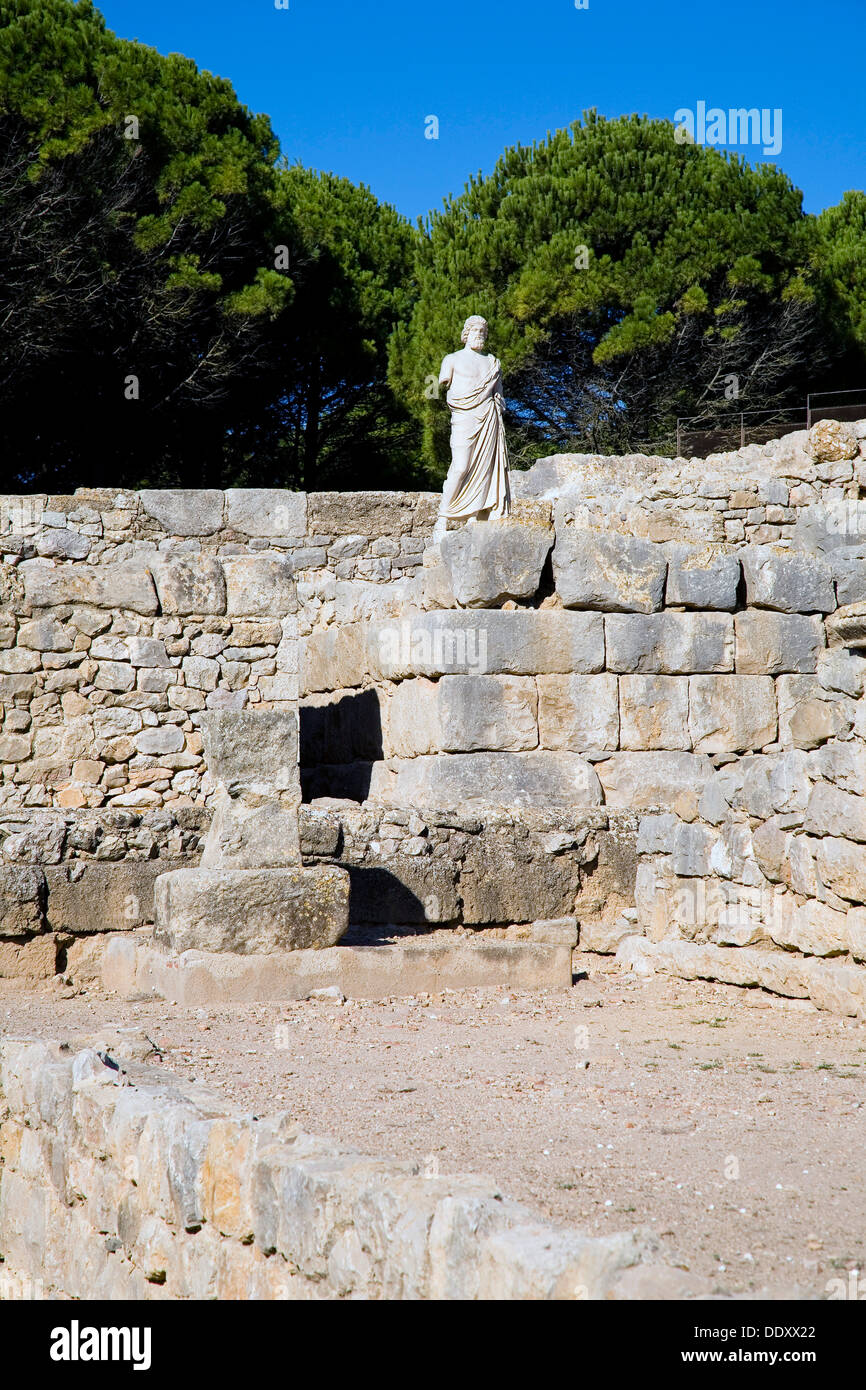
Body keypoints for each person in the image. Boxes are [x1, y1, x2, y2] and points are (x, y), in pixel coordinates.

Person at [431, 315, 511, 544]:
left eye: (484, 332)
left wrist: (496, 404)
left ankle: (476, 516)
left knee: (485, 468)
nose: (481, 336)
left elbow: (500, 396)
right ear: (466, 333)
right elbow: (440, 389)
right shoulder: (452, 359)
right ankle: (443, 518)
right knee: (461, 466)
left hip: (488, 418)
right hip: (464, 417)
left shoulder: (493, 362)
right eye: (476, 331)